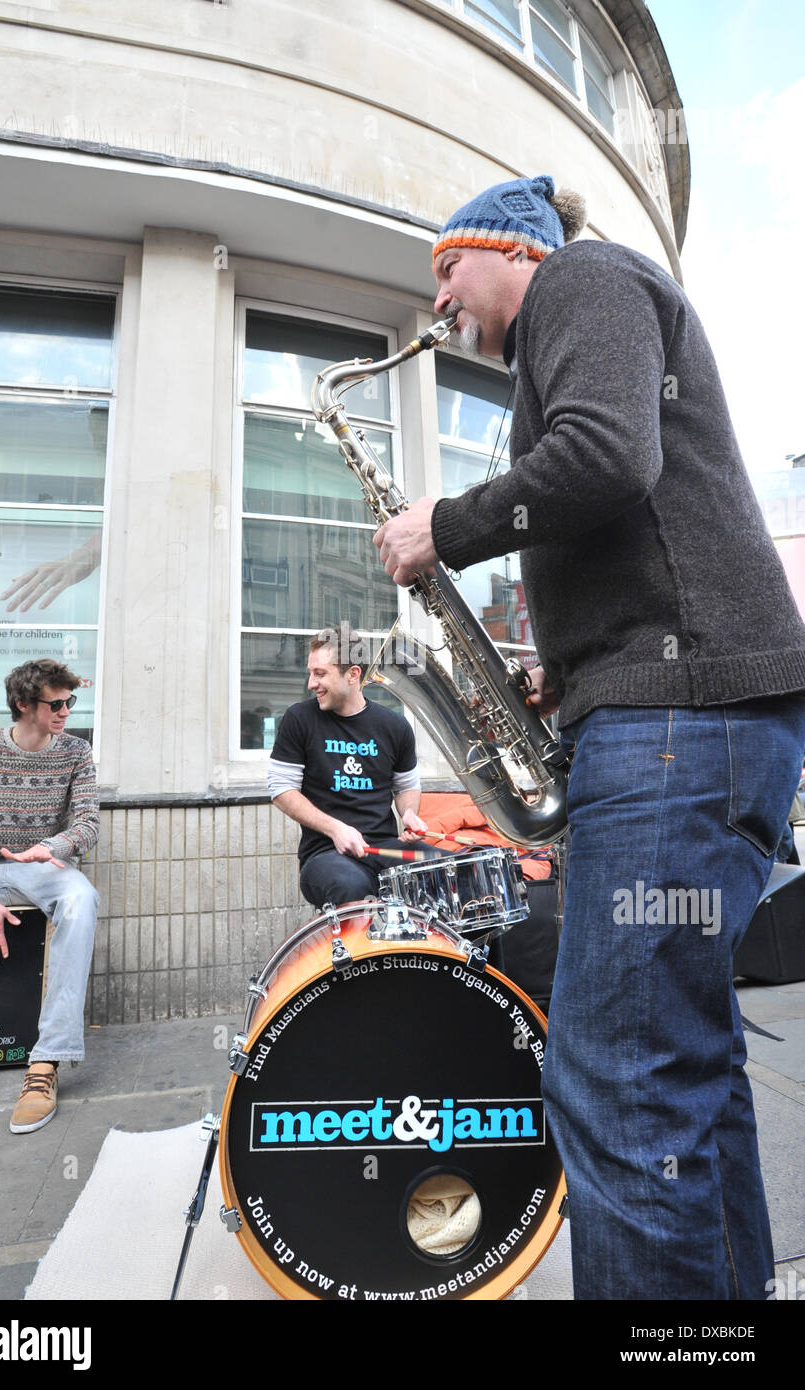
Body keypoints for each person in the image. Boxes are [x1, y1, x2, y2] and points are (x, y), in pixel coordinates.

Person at [373, 174, 805, 1300]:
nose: (440, 299)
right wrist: (556, 673)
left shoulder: (582, 277)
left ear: (502, 251)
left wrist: (446, 529)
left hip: (679, 725)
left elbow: (611, 458)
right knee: (683, 1074)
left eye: (446, 269)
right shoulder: (586, 307)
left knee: (616, 1082)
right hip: (692, 716)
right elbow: (639, 516)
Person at [0, 659, 99, 1133]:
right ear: (23, 705)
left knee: (80, 901)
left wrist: (51, 848)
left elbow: (88, 824)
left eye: (71, 701)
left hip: (47, 868)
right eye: (57, 703)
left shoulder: (76, 751)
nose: (66, 710)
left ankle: (47, 1061)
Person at [268, 626, 430, 908]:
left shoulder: (395, 727)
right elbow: (281, 789)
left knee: (454, 871)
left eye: (320, 674)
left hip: (385, 847)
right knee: (352, 885)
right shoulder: (299, 719)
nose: (310, 683)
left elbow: (406, 785)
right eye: (311, 672)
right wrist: (335, 829)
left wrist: (409, 815)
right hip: (324, 854)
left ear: (353, 675)